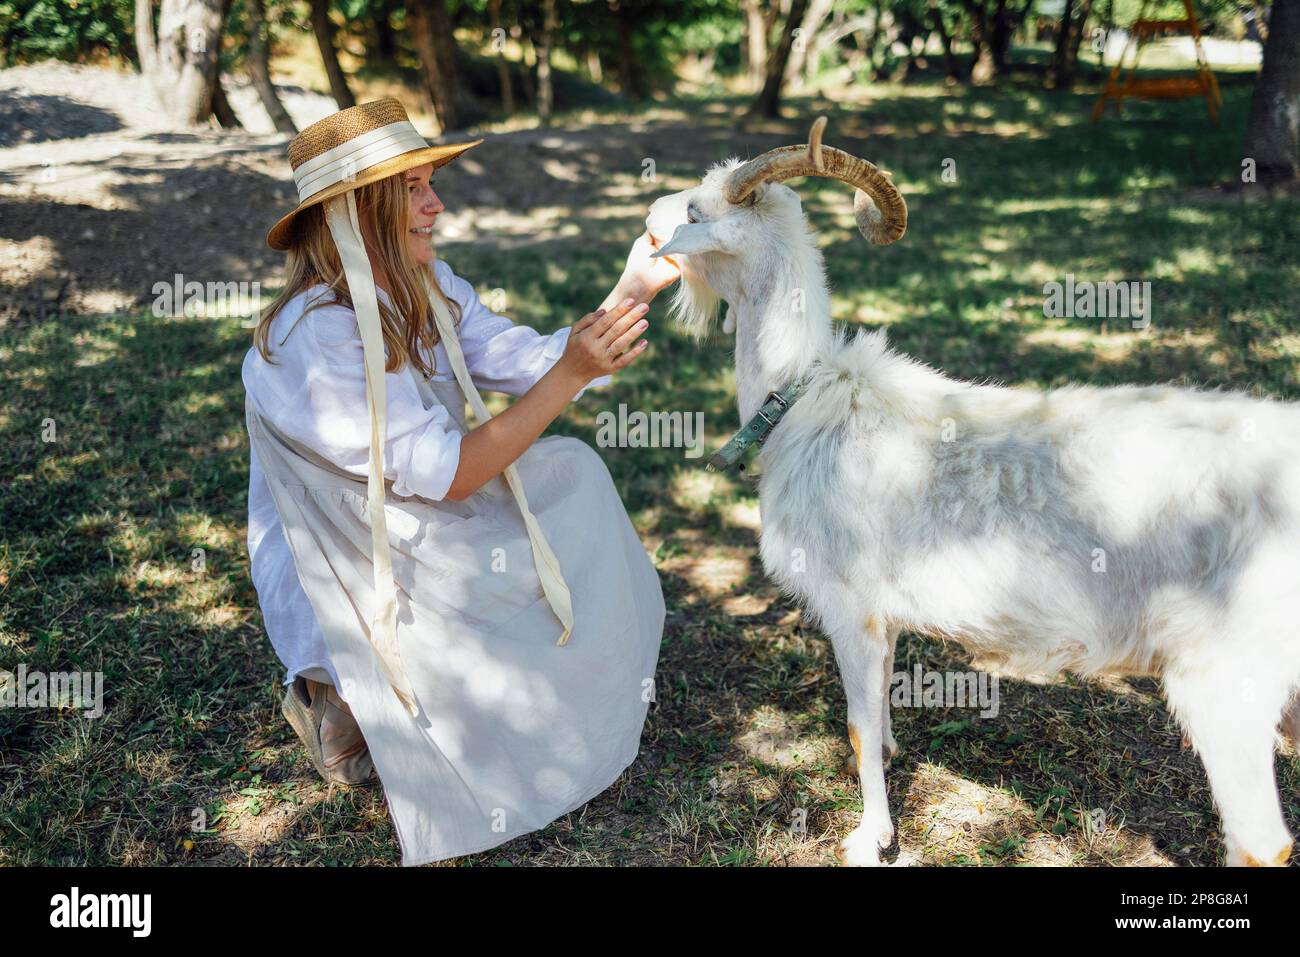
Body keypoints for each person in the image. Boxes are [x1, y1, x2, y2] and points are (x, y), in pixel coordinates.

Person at [242, 98, 680, 864]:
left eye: (429, 182)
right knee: (482, 570)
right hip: (356, 546)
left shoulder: (426, 283)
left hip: (428, 502)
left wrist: (634, 285)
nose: (435, 203)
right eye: (411, 188)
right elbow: (448, 473)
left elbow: (529, 359)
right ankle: (332, 690)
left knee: (572, 470)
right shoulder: (314, 333)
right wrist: (572, 373)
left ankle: (537, 692)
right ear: (354, 210)